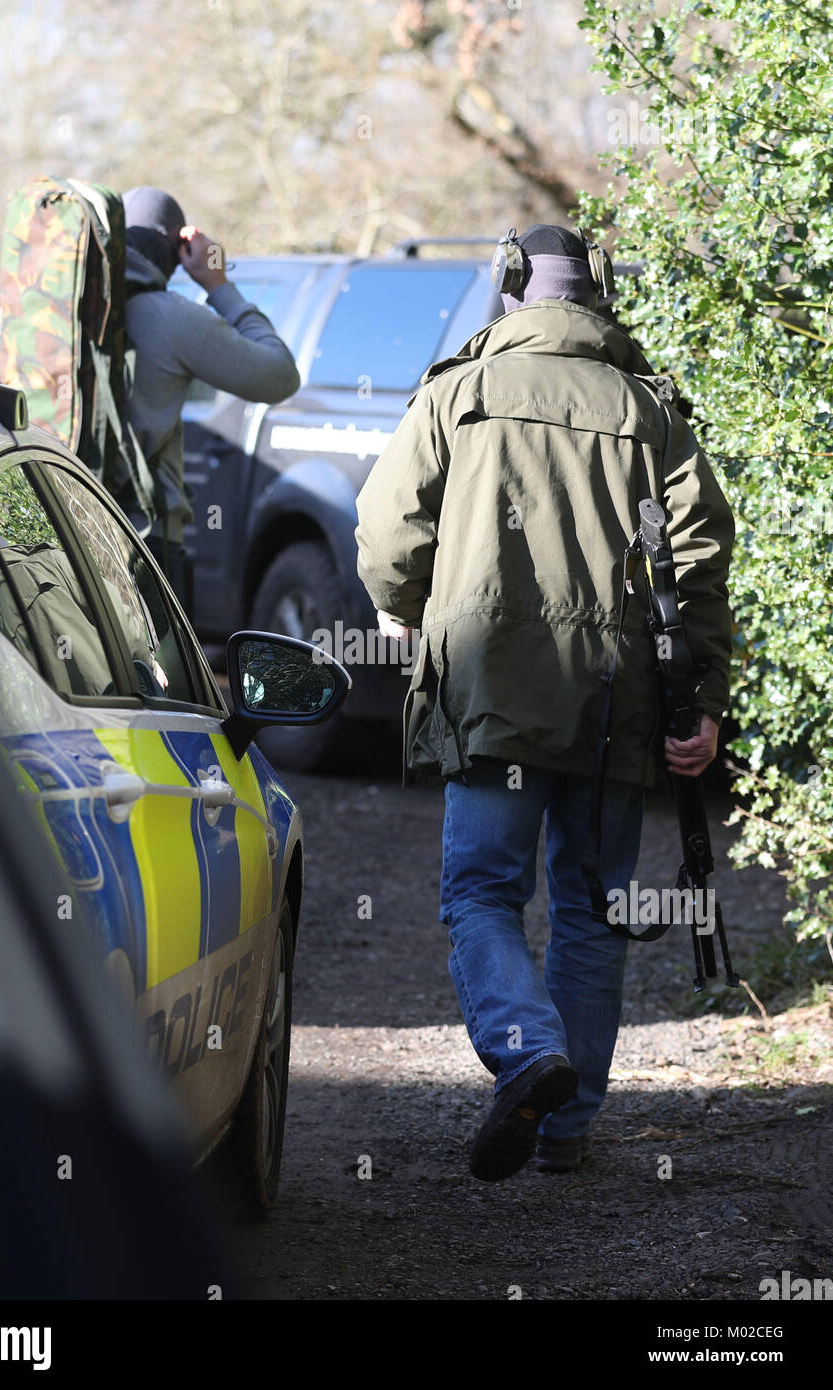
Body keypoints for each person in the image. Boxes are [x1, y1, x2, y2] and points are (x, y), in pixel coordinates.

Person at [354, 224, 734, 1182]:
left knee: (481, 892)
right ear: (599, 292)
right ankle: (567, 1133)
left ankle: (527, 1053)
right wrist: (702, 703)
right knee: (590, 910)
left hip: (489, 692)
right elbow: (699, 562)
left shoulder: (458, 392)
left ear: (509, 288)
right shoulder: (650, 409)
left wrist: (405, 613)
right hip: (617, 705)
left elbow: (386, 533)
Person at [121, 187, 300, 606]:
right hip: (142, 545)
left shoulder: (47, 320)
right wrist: (218, 283)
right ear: (176, 246)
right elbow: (280, 375)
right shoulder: (170, 317)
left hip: (51, 523)